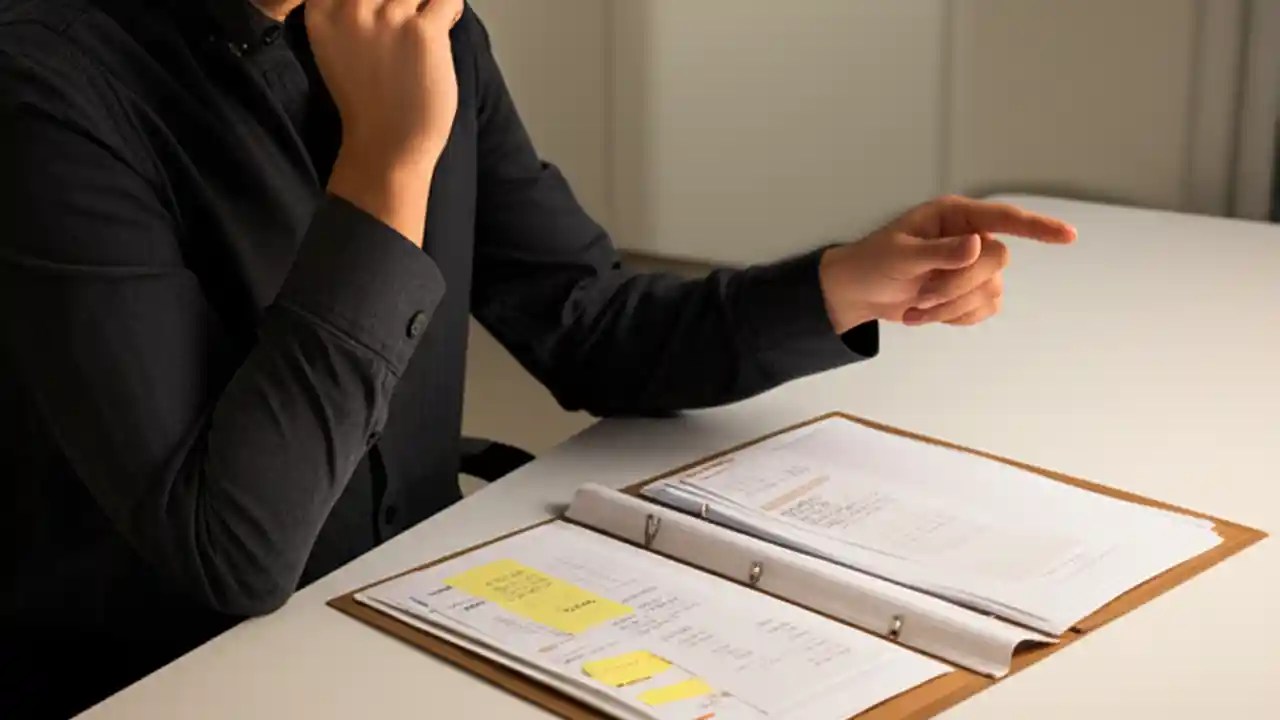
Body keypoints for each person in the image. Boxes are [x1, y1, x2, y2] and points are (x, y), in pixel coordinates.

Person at [0, 0, 1076, 716]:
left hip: (426, 620)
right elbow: (229, 554)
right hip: (167, 677)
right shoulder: (42, 85)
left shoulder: (421, 27)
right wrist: (388, 155)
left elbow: (579, 321)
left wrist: (841, 282)